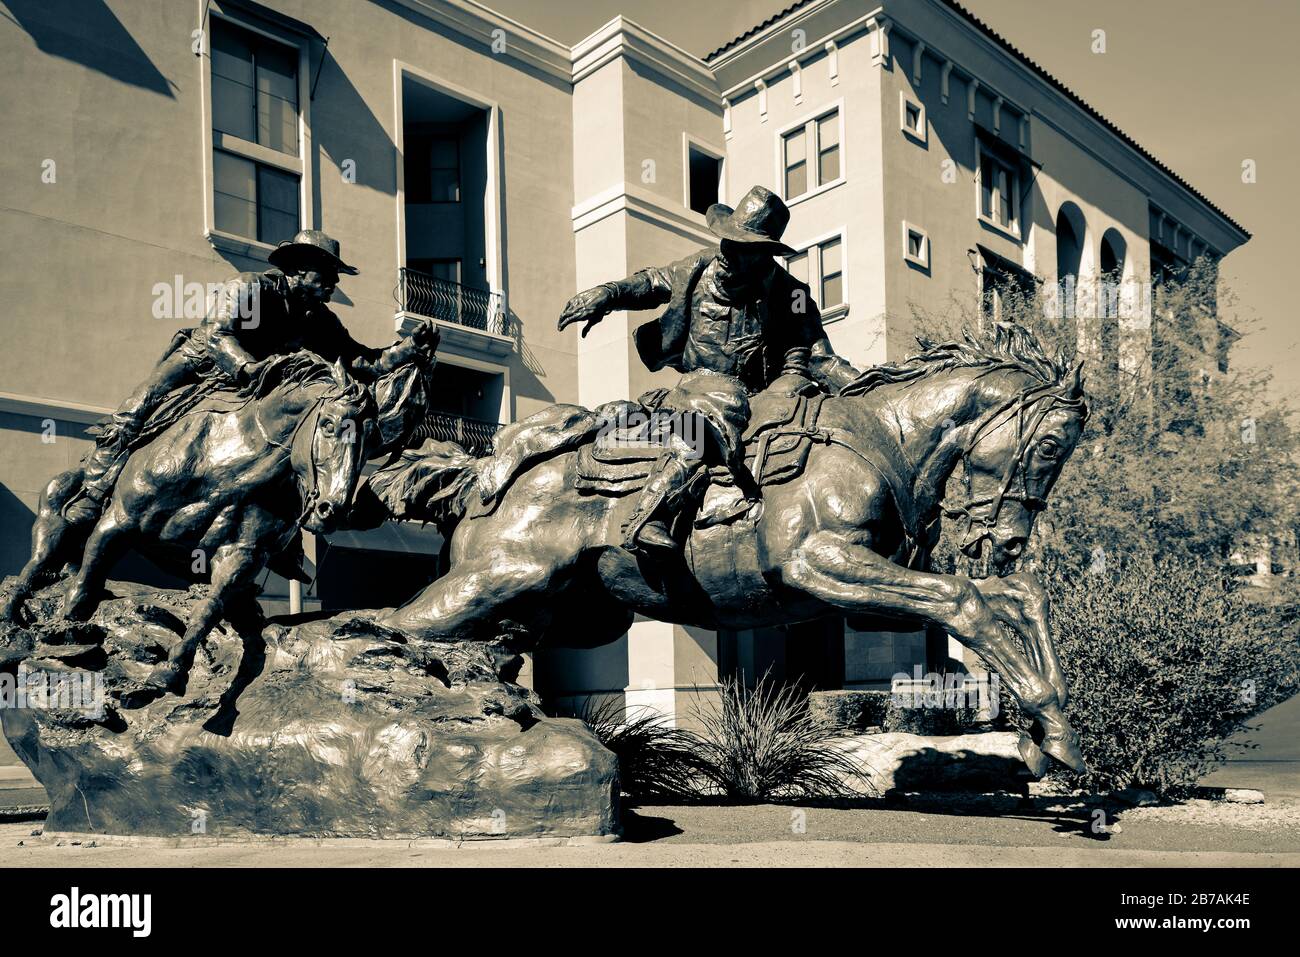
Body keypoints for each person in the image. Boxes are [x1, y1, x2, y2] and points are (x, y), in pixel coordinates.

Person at [557, 185, 861, 554]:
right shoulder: (698, 268)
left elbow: (816, 353)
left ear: (764, 254)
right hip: (702, 389)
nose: (729, 251)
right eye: (728, 241)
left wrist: (865, 386)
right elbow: (651, 282)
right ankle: (650, 514)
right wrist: (607, 294)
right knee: (706, 420)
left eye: (742, 246)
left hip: (768, 393)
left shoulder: (791, 292)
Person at [64, 229, 437, 523]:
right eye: (325, 275)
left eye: (334, 278)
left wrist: (407, 350)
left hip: (259, 380)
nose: (332, 285)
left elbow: (361, 361)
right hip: (204, 361)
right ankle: (93, 493)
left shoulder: (319, 318)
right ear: (296, 269)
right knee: (136, 409)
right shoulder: (248, 287)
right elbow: (216, 333)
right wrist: (246, 367)